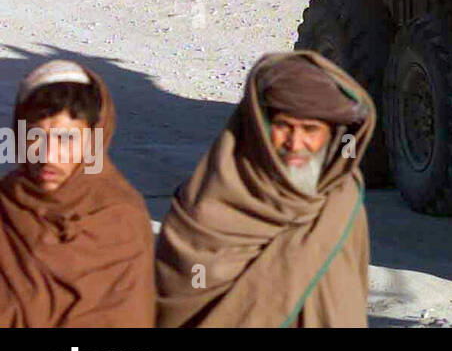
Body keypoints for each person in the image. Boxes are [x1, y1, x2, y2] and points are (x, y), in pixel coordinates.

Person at [155, 51, 374, 327]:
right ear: (258, 127)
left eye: (311, 130)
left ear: (332, 134)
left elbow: (351, 292)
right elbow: (178, 301)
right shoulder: (206, 209)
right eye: (284, 127)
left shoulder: (343, 200)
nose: (296, 144)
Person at [0, 60, 155, 327]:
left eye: (67, 138)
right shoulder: (6, 208)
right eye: (35, 135)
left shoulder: (121, 221)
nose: (48, 155)